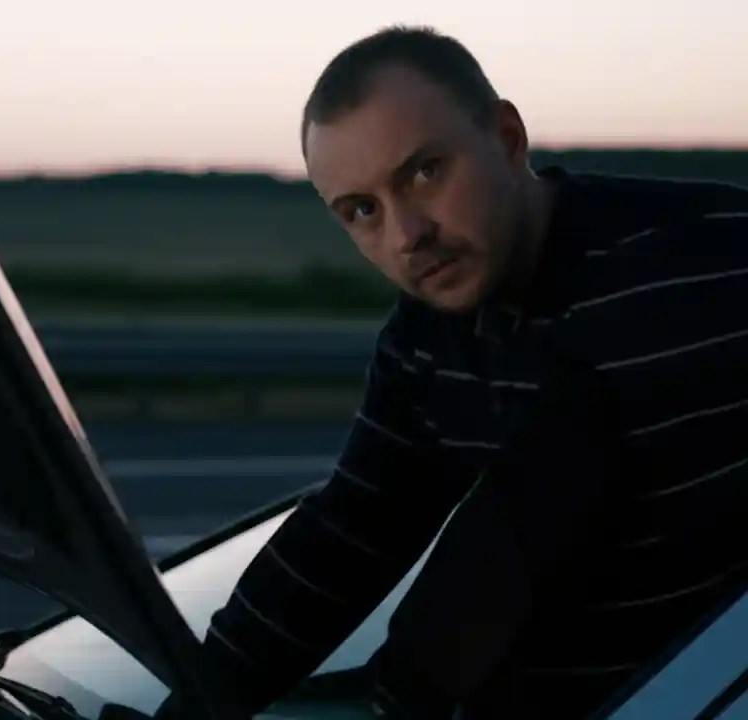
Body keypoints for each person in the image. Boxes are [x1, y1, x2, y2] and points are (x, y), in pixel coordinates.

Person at [158, 25, 748, 719]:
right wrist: (189, 708)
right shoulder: (424, 346)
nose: (406, 235)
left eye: (425, 172)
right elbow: (347, 537)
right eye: (362, 211)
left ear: (506, 137)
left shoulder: (716, 261)